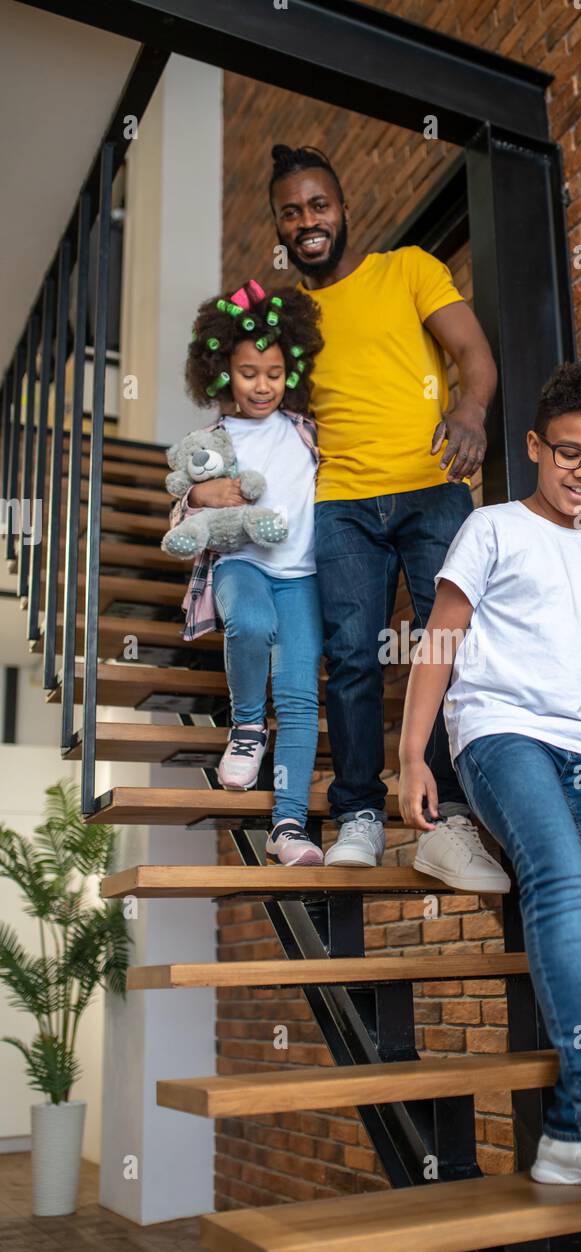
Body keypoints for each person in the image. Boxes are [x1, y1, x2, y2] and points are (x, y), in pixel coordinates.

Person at [397, 361, 581, 1219]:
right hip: (499, 735)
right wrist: (415, 756)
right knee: (561, 882)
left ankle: (567, 1138)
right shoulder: (491, 529)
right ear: (534, 447)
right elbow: (440, 640)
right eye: (569, 453)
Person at [269, 143, 509, 892]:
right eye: (292, 212)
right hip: (340, 502)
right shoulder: (292, 316)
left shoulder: (407, 269)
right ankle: (360, 816)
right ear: (281, 230)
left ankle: (451, 822)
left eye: (319, 205)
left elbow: (475, 355)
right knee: (351, 657)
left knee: (450, 650)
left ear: (342, 210)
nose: (308, 220)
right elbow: (289, 412)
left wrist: (470, 410)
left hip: (431, 484)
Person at [166, 279, 327, 866]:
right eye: (248, 372)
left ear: (292, 371)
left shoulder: (308, 431)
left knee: (301, 698)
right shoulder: (212, 440)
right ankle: (248, 727)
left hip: (304, 575)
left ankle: (289, 826)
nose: (262, 385)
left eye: (275, 372)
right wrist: (204, 496)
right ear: (221, 373)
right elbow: (180, 508)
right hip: (240, 565)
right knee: (251, 626)